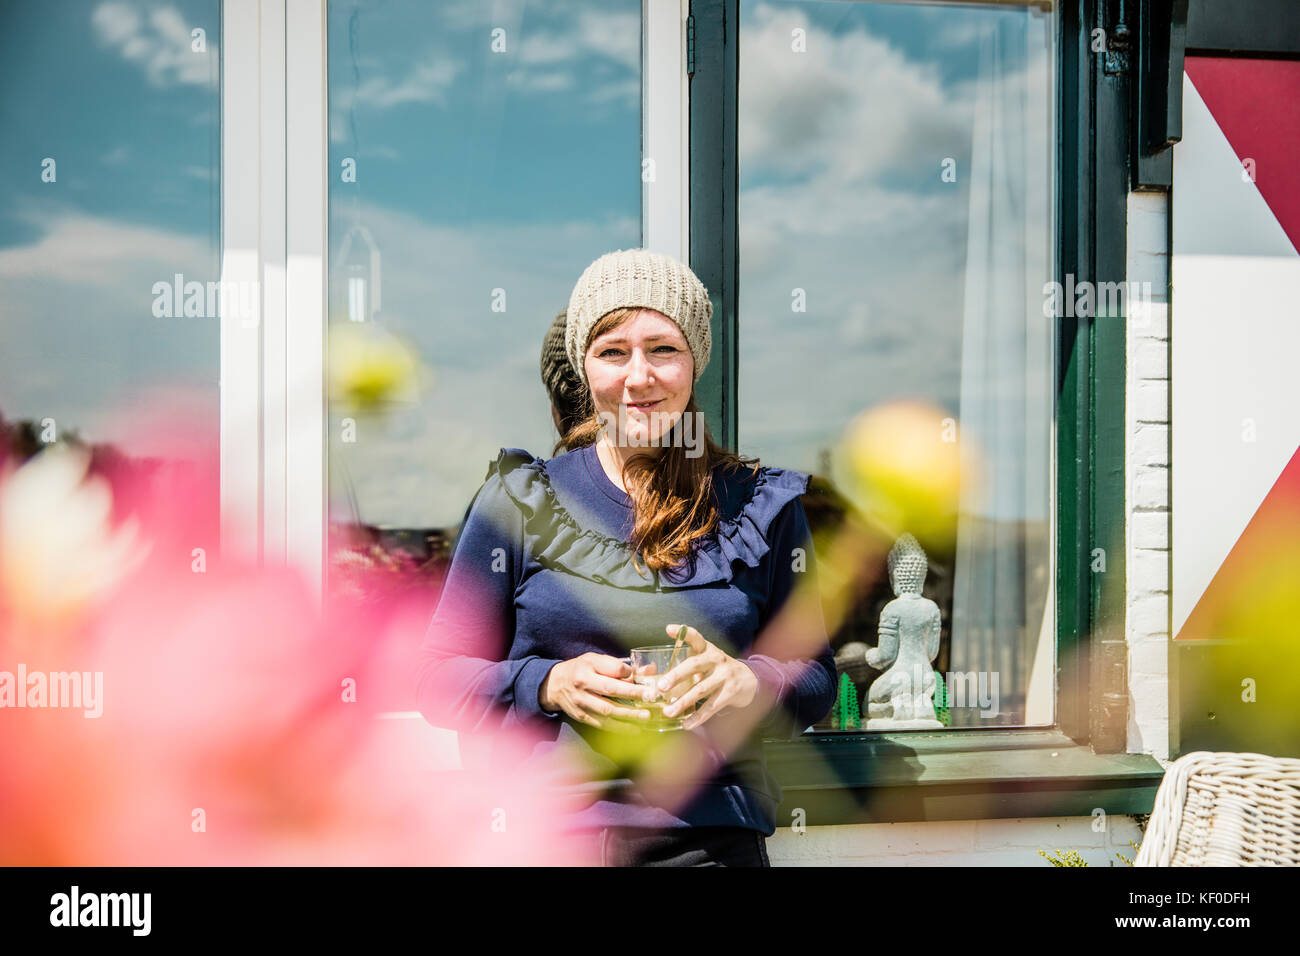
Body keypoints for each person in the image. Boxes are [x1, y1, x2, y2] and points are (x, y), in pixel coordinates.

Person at [416, 248, 837, 866]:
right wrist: (548, 683)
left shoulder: (762, 505)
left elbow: (818, 678)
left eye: (662, 348)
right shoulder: (519, 501)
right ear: (585, 369)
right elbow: (435, 678)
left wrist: (749, 681)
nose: (638, 377)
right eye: (612, 351)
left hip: (712, 842)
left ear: (696, 362)